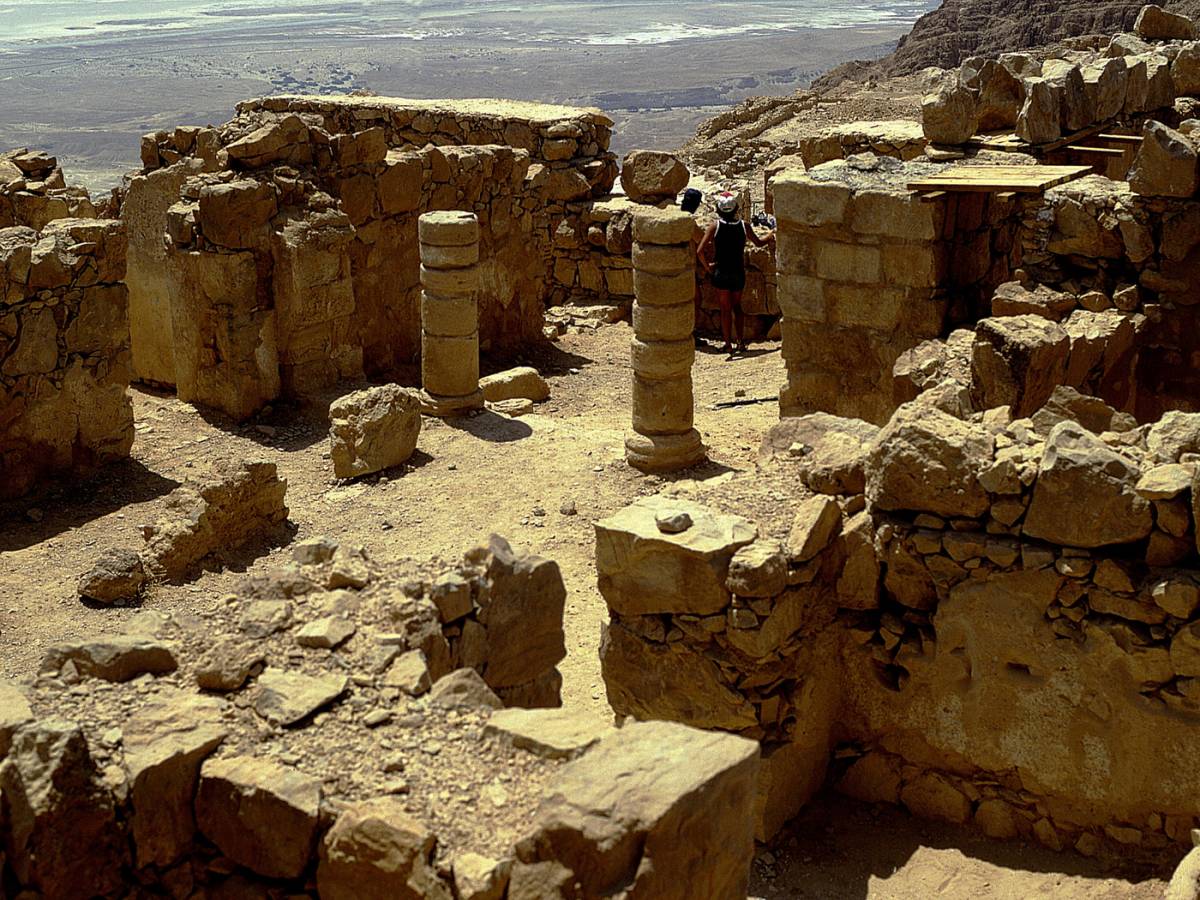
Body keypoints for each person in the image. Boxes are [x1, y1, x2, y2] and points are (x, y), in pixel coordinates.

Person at [697, 191, 774, 357]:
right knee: (738, 308)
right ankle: (740, 342)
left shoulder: (714, 227)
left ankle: (727, 345)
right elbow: (759, 243)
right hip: (738, 272)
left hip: (721, 272)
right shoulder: (744, 226)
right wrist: (771, 235)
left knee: (725, 309)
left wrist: (708, 267)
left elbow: (700, 251)